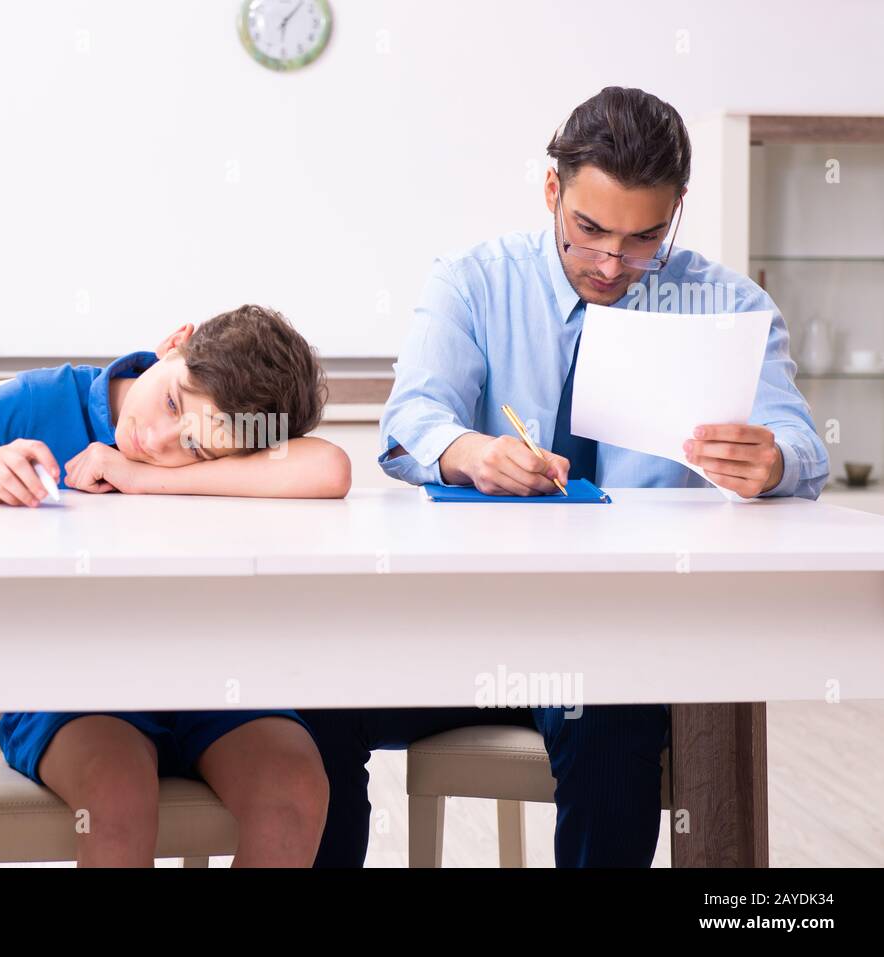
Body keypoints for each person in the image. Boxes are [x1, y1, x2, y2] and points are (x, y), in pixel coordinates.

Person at [302, 86, 828, 867]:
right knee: (309, 714)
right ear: (553, 190)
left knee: (613, 721)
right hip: (465, 623)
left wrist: (773, 460)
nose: (613, 263)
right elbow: (412, 419)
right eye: (590, 231)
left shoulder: (724, 304)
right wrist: (468, 452)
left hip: (615, 633)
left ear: (678, 209)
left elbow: (800, 443)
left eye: (644, 238)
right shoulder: (472, 282)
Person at [0, 303, 352, 866]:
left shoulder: (221, 450)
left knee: (296, 790)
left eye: (195, 445)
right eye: (173, 401)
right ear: (175, 341)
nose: (157, 438)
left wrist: (143, 480)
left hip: (211, 688)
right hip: (73, 694)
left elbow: (330, 468)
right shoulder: (47, 400)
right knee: (116, 798)